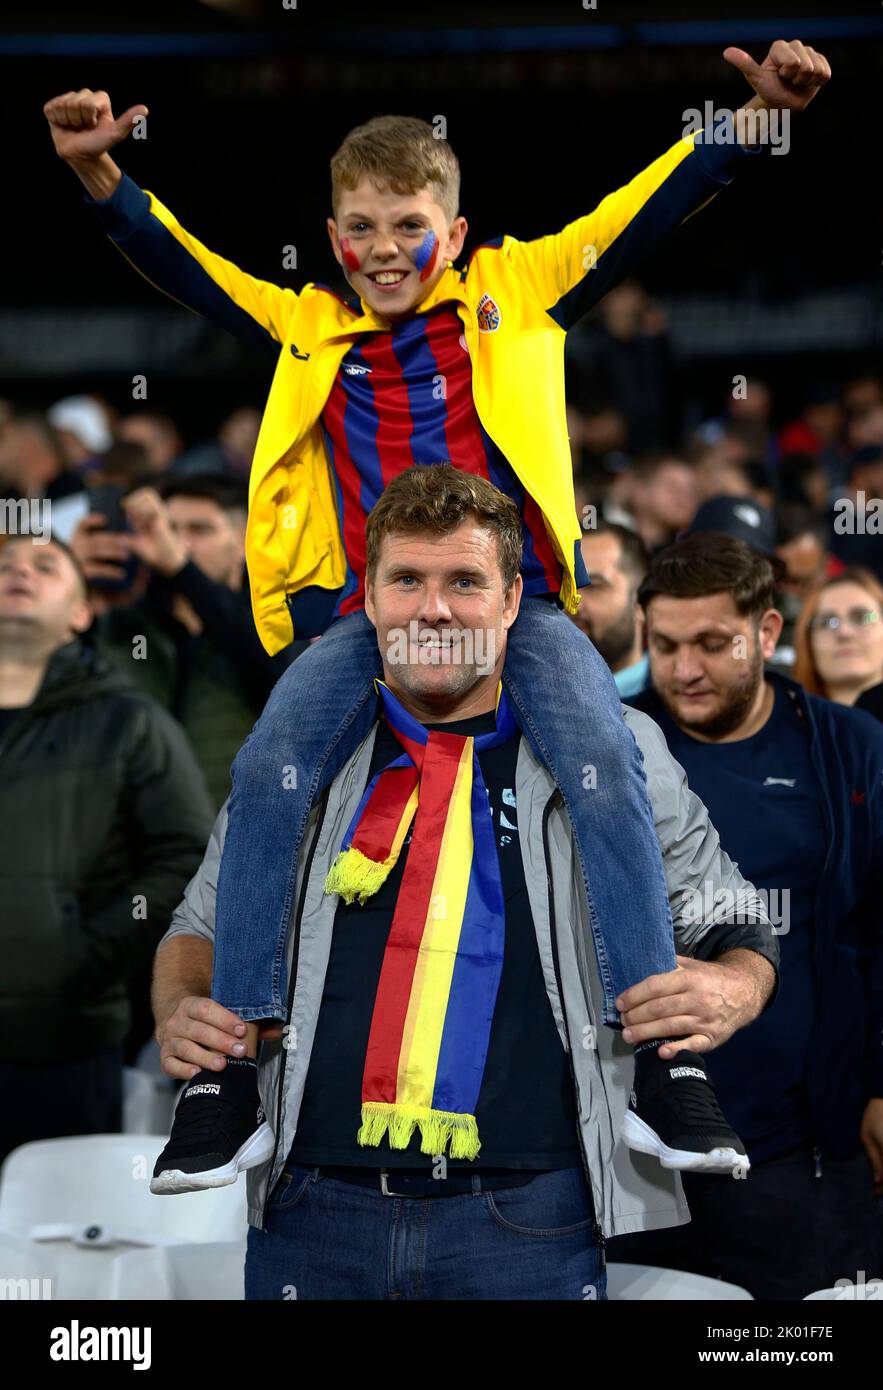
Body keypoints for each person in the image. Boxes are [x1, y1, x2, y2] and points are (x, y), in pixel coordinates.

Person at [42, 37, 827, 1183]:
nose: (382, 247)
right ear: (333, 240)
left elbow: (641, 210)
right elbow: (194, 266)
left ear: (453, 233)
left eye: (408, 223)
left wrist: (753, 119)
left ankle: (665, 1064)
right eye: (359, 226)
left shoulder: (514, 288)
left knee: (605, 755)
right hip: (374, 615)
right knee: (267, 773)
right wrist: (99, 178)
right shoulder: (311, 324)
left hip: (523, 611)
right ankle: (234, 1072)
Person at [150, 469, 778, 1300]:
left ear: (513, 600)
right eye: (406, 580)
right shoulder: (295, 761)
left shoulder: (615, 751)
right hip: (309, 1209)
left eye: (465, 582)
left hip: (530, 1211)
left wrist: (735, 987)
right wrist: (180, 1007)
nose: (433, 609)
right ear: (367, 601)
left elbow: (733, 917)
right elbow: (195, 926)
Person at [612, 533, 883, 1299]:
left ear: (766, 632)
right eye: (663, 645)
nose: (684, 668)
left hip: (802, 1150)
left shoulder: (847, 748)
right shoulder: (610, 747)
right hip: (639, 1152)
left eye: (710, 643)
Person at [0, 535, 214, 1163]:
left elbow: (184, 856)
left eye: (45, 565)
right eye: (6, 565)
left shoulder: (128, 720)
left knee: (53, 1244)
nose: (20, 572)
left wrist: (87, 952)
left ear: (81, 613)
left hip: (63, 1044)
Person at [89, 475, 299, 809]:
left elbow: (275, 679)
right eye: (169, 530)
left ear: (245, 542)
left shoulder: (277, 626)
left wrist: (182, 570)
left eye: (199, 530)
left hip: (232, 833)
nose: (179, 545)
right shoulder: (128, 628)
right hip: (140, 838)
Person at [573, 520, 651, 697]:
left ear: (640, 599)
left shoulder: (678, 700)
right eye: (566, 587)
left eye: (594, 586)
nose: (572, 604)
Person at [793, 567, 883, 706]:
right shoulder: (784, 725)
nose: (844, 632)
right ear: (807, 642)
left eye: (861, 618)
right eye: (826, 622)